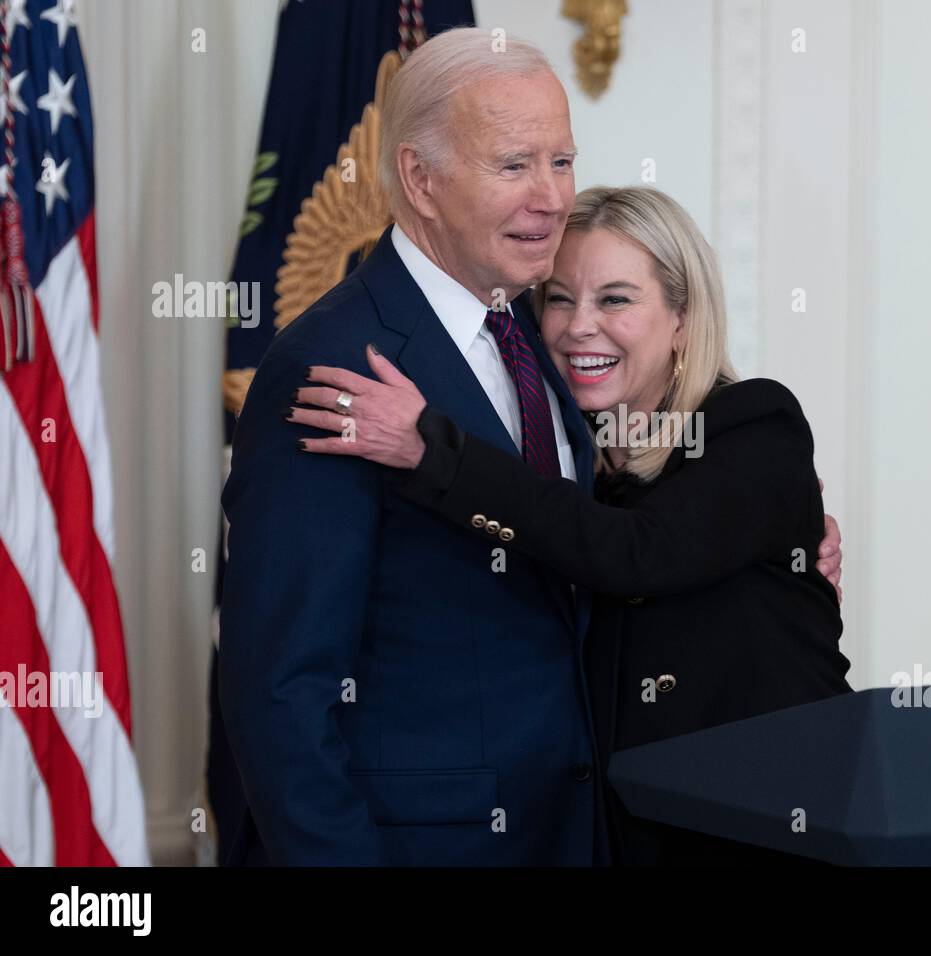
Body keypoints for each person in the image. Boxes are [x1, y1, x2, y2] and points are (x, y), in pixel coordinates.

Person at [220, 28, 842, 865]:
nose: (550, 196)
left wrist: (780, 559)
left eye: (561, 161)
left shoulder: (537, 350)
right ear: (420, 179)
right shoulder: (337, 365)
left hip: (584, 834)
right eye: (515, 165)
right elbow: (279, 690)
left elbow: (615, 552)